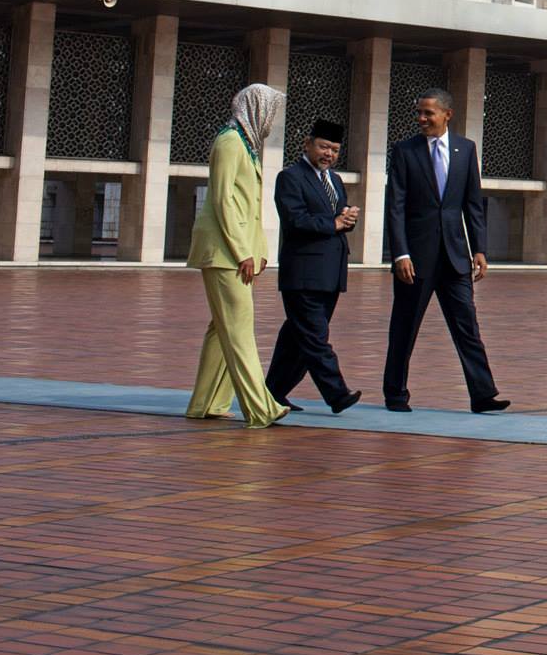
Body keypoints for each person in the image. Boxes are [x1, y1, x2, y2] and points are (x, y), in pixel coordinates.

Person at [382, 86, 509, 413]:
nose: (421, 118)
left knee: (467, 326)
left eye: (428, 113)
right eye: (419, 112)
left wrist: (479, 248)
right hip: (416, 258)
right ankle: (395, 393)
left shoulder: (466, 150)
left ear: (447, 115)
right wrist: (400, 253)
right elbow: (394, 206)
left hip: (455, 256)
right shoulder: (404, 151)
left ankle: (483, 395)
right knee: (405, 327)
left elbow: (472, 203)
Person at [186, 83, 288, 428]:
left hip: (236, 251)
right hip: (223, 252)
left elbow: (251, 207)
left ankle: (206, 403)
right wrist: (242, 251)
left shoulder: (247, 144)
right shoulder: (229, 142)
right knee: (240, 330)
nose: (273, 120)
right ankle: (261, 407)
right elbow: (222, 200)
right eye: (271, 110)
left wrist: (258, 251)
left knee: (222, 328)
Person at [263, 119, 363, 415]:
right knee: (315, 337)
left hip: (330, 273)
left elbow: (336, 222)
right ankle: (337, 394)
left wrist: (346, 220)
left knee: (298, 338)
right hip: (303, 273)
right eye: (324, 147)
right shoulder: (290, 178)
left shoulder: (335, 181)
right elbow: (295, 220)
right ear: (307, 144)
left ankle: (273, 393)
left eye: (334, 149)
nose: (329, 154)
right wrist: (333, 223)